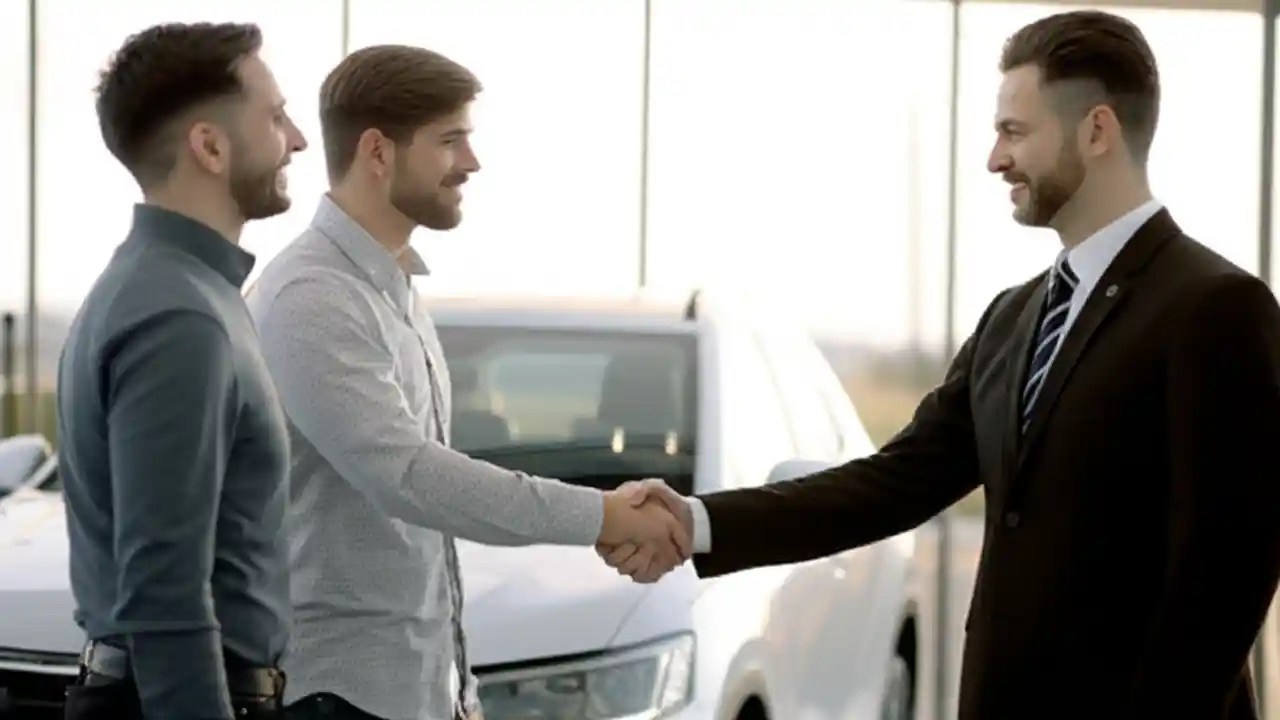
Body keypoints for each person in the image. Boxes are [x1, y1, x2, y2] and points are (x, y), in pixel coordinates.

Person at [601, 10, 1280, 720]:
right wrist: (698, 522)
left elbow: (1227, 568)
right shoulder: (1014, 317)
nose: (995, 159)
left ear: (1097, 131)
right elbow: (892, 483)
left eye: (1014, 131)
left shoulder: (1215, 307)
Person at [244, 45, 689, 720]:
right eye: (450, 141)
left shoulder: (392, 287)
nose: (471, 163)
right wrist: (604, 515)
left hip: (420, 694)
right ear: (377, 151)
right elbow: (408, 476)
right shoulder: (312, 296)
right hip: (340, 697)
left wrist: (459, 694)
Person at [57, 21, 307, 720]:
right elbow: (163, 592)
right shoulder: (180, 317)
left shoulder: (176, 289)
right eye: (276, 117)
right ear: (210, 146)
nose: (296, 140)